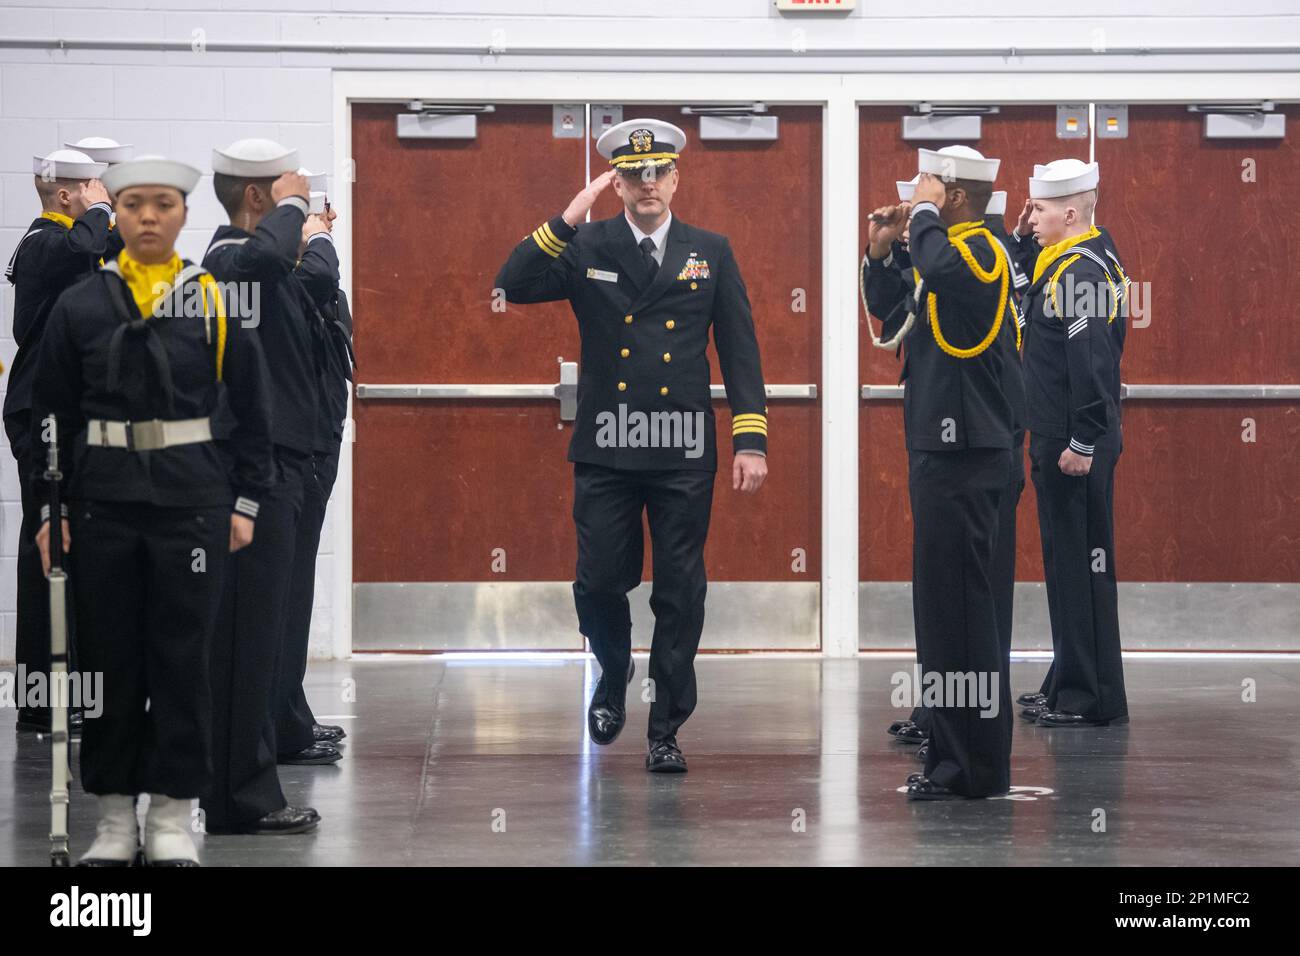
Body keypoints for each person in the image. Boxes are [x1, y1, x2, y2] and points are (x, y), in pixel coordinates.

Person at [494, 119, 769, 773]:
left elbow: (739, 349)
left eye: (658, 173)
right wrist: (566, 218)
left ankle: (667, 726)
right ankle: (612, 675)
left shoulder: (712, 250)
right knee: (598, 583)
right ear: (615, 182)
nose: (648, 185)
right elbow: (512, 282)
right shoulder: (588, 243)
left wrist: (749, 439)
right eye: (633, 174)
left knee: (679, 591)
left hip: (681, 452)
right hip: (608, 449)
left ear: (676, 178)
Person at [31, 154, 273, 865]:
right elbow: (48, 415)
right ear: (117, 211)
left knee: (181, 661)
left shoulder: (213, 301)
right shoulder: (80, 303)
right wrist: (53, 511)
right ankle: (112, 817)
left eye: (162, 204)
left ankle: (172, 813)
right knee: (107, 664)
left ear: (182, 214)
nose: (146, 216)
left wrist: (246, 500)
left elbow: (253, 412)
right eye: (134, 203)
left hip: (191, 503)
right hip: (103, 503)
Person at [864, 145, 1016, 799]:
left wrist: (922, 218)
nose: (916, 193)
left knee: (965, 617)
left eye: (927, 186)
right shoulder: (949, 257)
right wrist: (880, 252)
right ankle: (950, 755)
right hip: (943, 455)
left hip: (967, 460)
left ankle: (972, 768)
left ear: (953, 196)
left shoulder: (982, 251)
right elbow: (895, 311)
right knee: (943, 615)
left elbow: (939, 264)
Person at [200, 139, 331, 837]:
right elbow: (260, 255)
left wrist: (310, 234)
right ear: (258, 197)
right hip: (250, 473)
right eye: (282, 193)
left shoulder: (262, 262)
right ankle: (238, 798)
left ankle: (240, 790)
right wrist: (293, 205)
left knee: (259, 637)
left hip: (282, 466)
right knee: (244, 643)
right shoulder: (229, 258)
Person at [1016, 159, 1129, 728]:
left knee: (1082, 567)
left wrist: (1084, 439)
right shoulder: (1067, 262)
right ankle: (1069, 680)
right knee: (1068, 565)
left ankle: (1089, 697)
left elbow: (1091, 363)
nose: (1029, 217)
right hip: (1063, 433)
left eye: (1037, 208)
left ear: (1069, 211)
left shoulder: (1077, 274)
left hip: (1073, 438)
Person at [4, 148, 112, 735]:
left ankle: (69, 692)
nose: (102, 197)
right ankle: (40, 700)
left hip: (64, 410)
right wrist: (101, 213)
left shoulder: (73, 243)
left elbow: (111, 254)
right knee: (45, 551)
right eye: (93, 188)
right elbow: (85, 247)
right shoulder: (48, 239)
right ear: (67, 196)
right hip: (39, 412)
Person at [274, 172, 351, 756]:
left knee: (295, 590)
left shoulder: (308, 281)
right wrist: (315, 236)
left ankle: (289, 712)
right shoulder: (273, 280)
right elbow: (317, 276)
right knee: (282, 593)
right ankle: (278, 723)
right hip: (287, 460)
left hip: (317, 449)